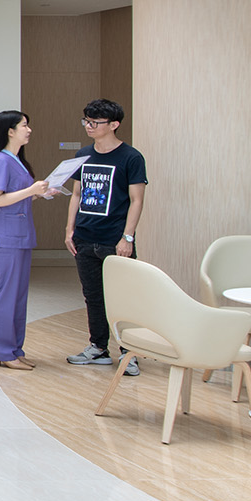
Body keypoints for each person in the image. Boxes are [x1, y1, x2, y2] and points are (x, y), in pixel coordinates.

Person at [52, 98, 147, 374]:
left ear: (114, 125)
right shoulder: (83, 154)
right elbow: (78, 194)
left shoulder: (131, 157)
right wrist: (70, 229)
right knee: (92, 295)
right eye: (86, 121)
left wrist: (127, 238)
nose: (89, 126)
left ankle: (130, 352)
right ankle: (98, 348)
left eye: (95, 122)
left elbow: (136, 200)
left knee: (123, 297)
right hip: (84, 237)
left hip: (114, 240)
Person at [0, 110, 50, 370]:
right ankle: (1, 351)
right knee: (5, 295)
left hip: (20, 235)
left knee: (18, 296)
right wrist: (31, 190)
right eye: (24, 125)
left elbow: (17, 197)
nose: (28, 129)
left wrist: (38, 194)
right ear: (10, 131)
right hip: (5, 237)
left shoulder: (17, 160)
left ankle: (13, 349)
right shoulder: (0, 160)